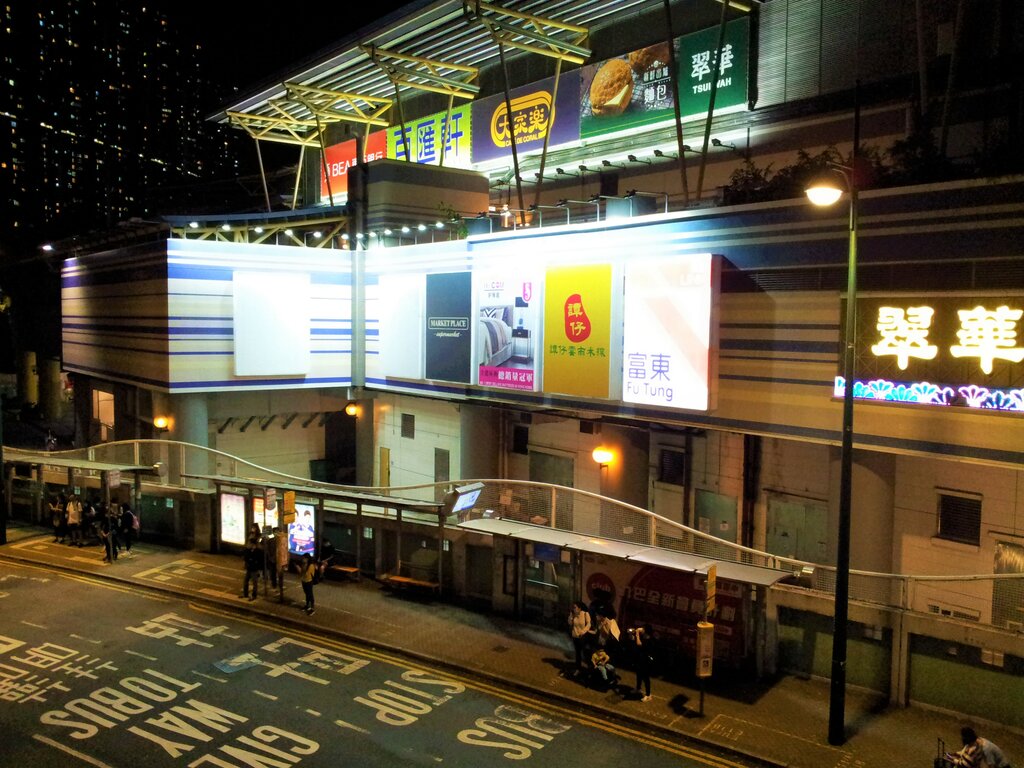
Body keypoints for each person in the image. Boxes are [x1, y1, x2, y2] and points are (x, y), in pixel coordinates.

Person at [626, 624, 654, 702]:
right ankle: (638, 688)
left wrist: (637, 634)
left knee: (646, 677)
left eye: (643, 629)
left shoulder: (649, 639)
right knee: (639, 674)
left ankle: (648, 695)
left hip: (646, 661)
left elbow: (639, 644)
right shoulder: (643, 637)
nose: (642, 630)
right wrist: (632, 635)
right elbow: (635, 642)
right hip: (640, 659)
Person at [567, 601, 592, 674]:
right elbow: (570, 623)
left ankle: (590, 669)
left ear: (579, 608)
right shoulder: (574, 615)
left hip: (583, 637)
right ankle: (578, 669)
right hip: (575, 637)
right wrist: (571, 616)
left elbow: (589, 625)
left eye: (575, 607)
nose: (573, 609)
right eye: (573, 607)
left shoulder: (585, 614)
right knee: (578, 654)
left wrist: (583, 632)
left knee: (585, 654)